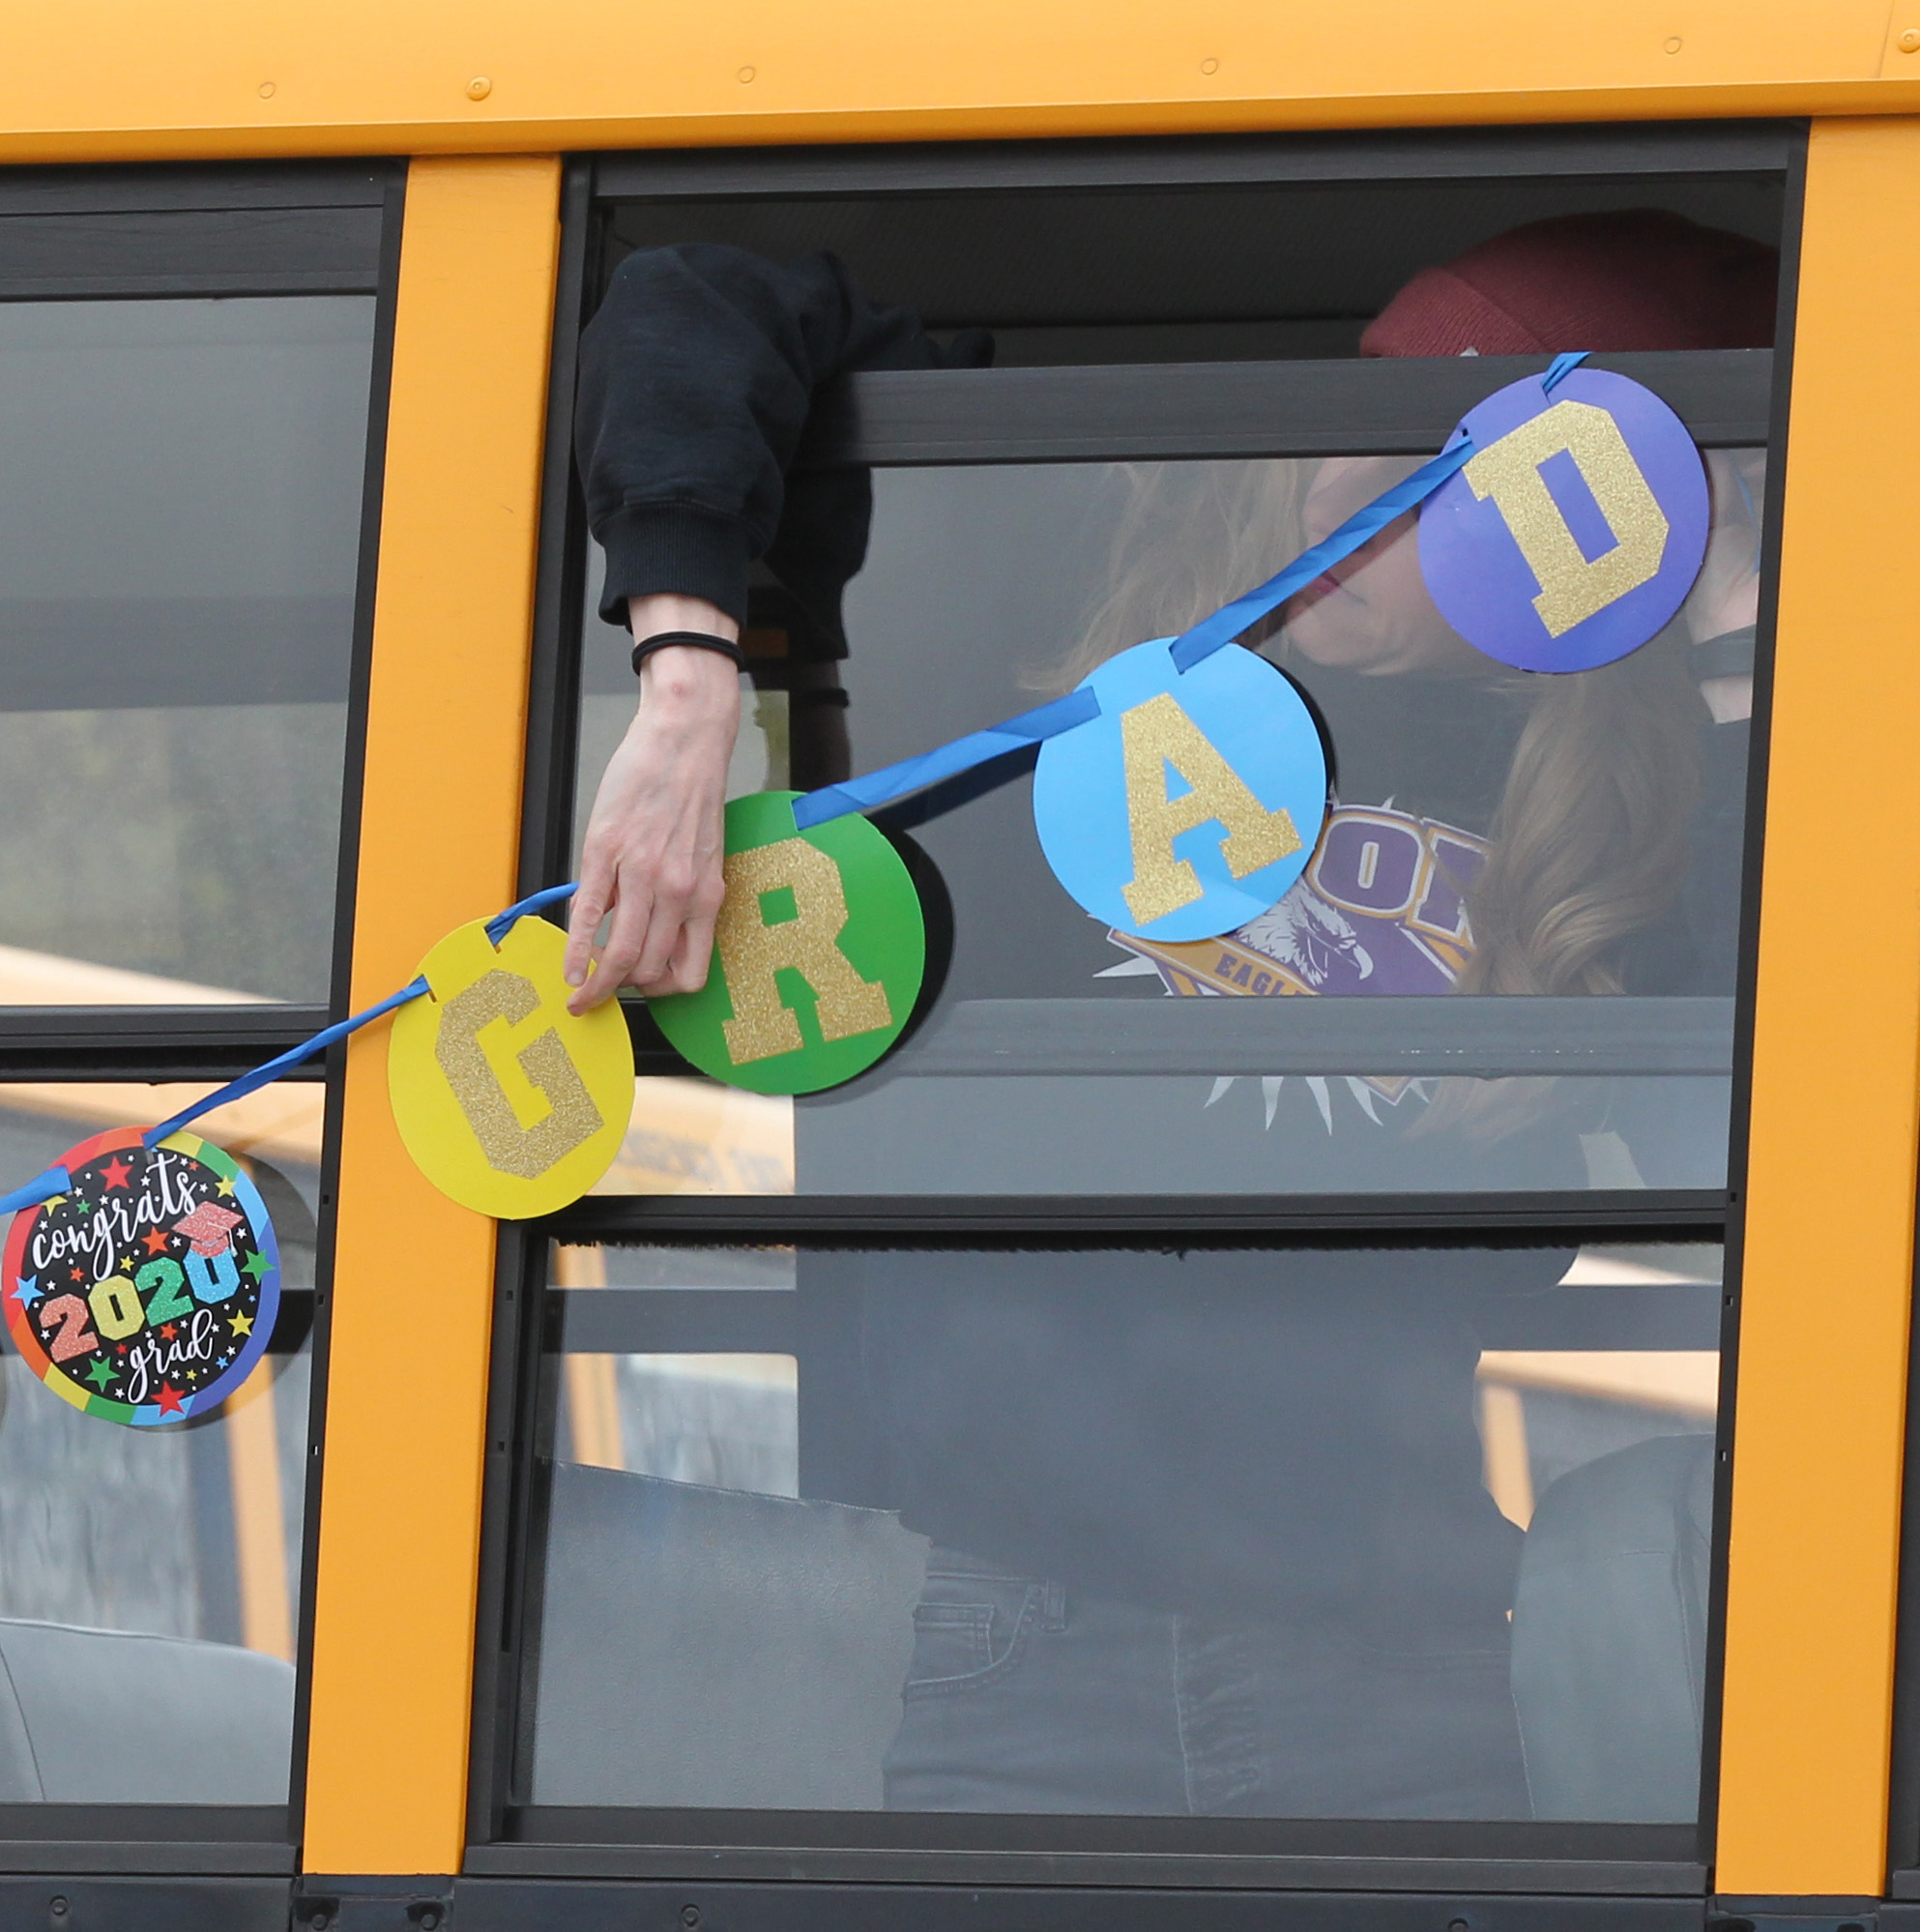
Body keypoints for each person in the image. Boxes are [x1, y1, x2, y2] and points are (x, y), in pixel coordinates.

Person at [561, 210, 1772, 1816]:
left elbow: (1774, 1135)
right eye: (1350, 426)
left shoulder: (1619, 827)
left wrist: (1733, 602)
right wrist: (686, 685)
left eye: (1450, 490)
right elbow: (699, 294)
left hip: (1395, 1655)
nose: (1340, 500)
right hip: (997, 1624)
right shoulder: (1059, 578)